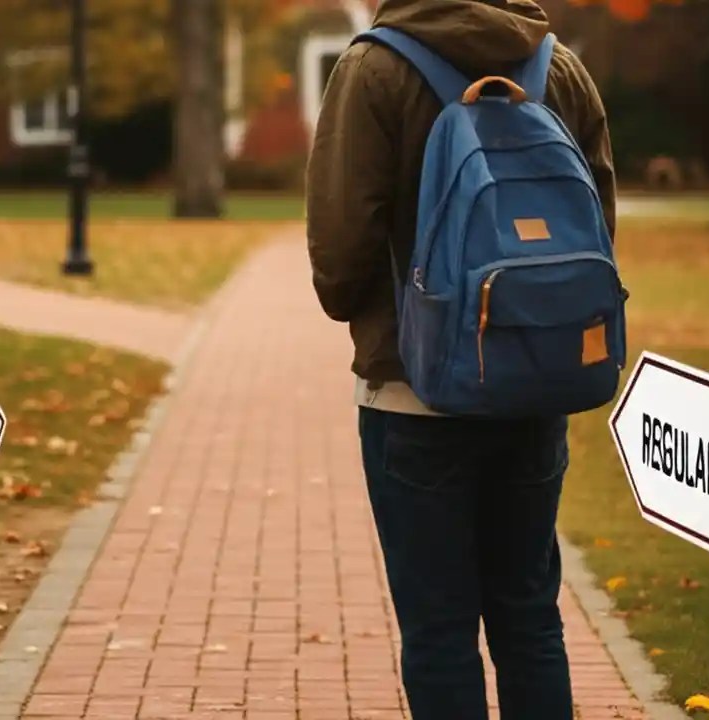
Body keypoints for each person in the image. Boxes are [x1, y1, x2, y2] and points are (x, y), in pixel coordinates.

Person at [305, 0, 617, 718]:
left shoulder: (372, 69)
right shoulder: (558, 67)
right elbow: (598, 224)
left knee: (439, 630)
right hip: (534, 386)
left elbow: (341, 256)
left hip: (413, 390)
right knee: (530, 619)